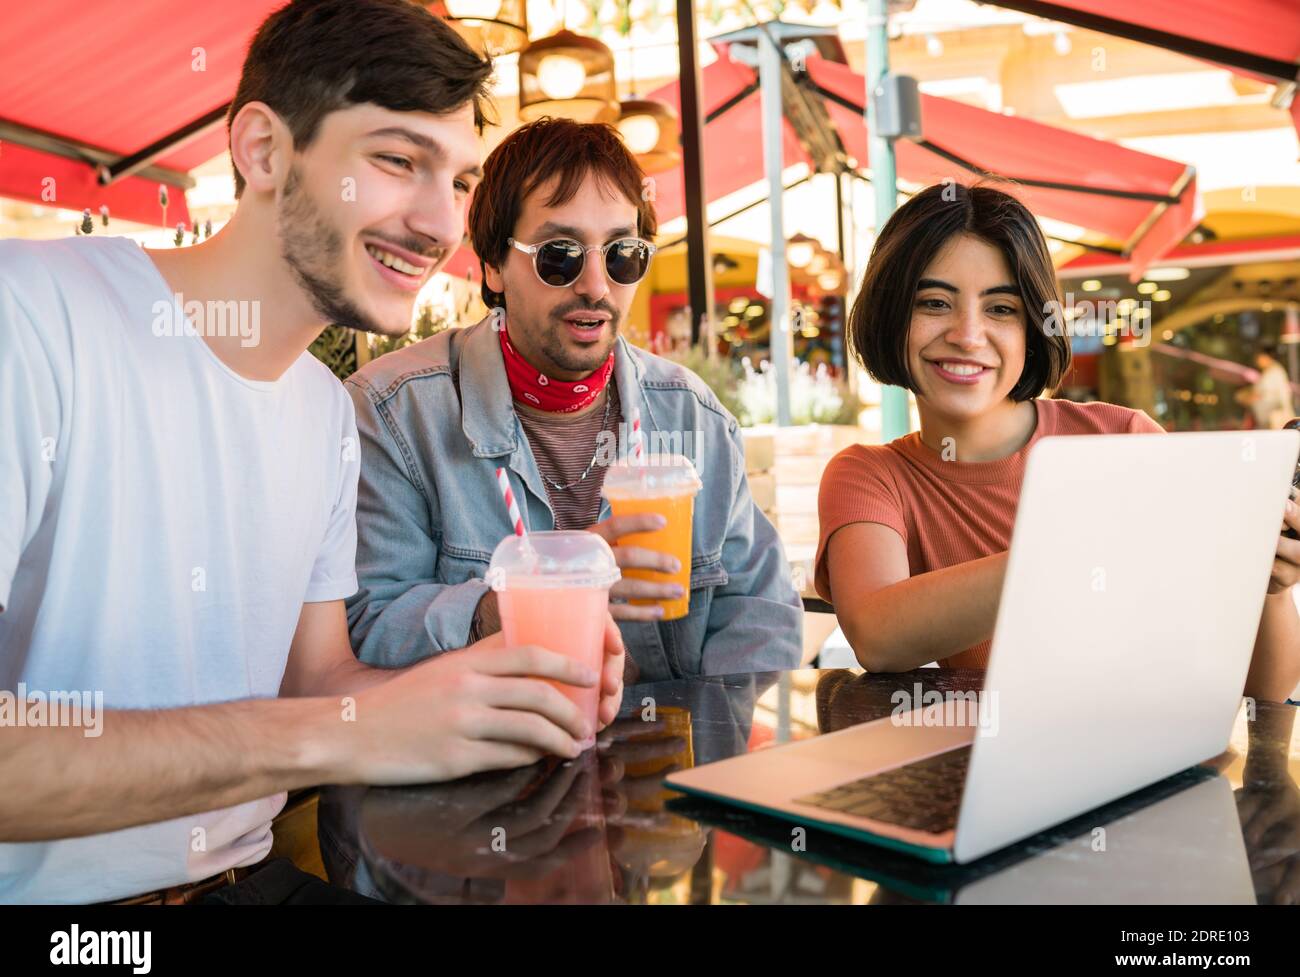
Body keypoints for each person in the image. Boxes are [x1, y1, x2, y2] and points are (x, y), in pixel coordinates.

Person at [0, 0, 622, 904]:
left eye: (457, 182)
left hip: (243, 882)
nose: (439, 224)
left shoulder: (324, 411)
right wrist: (333, 736)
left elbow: (321, 679)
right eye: (397, 160)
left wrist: (488, 686)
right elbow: (328, 722)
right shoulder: (32, 317)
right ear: (262, 151)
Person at [344, 117, 802, 682]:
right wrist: (525, 601)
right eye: (559, 255)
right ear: (492, 265)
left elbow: (762, 615)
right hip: (484, 761)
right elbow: (366, 625)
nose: (595, 285)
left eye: (621, 254)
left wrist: (706, 743)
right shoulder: (395, 414)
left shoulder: (692, 416)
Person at [816, 182, 1300, 701]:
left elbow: (1266, 696)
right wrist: (1092, 539)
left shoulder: (1123, 438)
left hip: (1161, 754)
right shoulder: (869, 475)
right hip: (996, 768)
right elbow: (879, 636)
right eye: (934, 302)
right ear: (891, 316)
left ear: (1033, 328)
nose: (968, 334)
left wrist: (1264, 584)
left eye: (1002, 308)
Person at [1236, 345, 1297, 430]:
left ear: (1266, 357)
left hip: (1275, 421)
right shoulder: (1269, 372)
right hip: (1268, 421)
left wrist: (1246, 397)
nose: (1257, 360)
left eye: (1259, 357)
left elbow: (1261, 395)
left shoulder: (1275, 373)